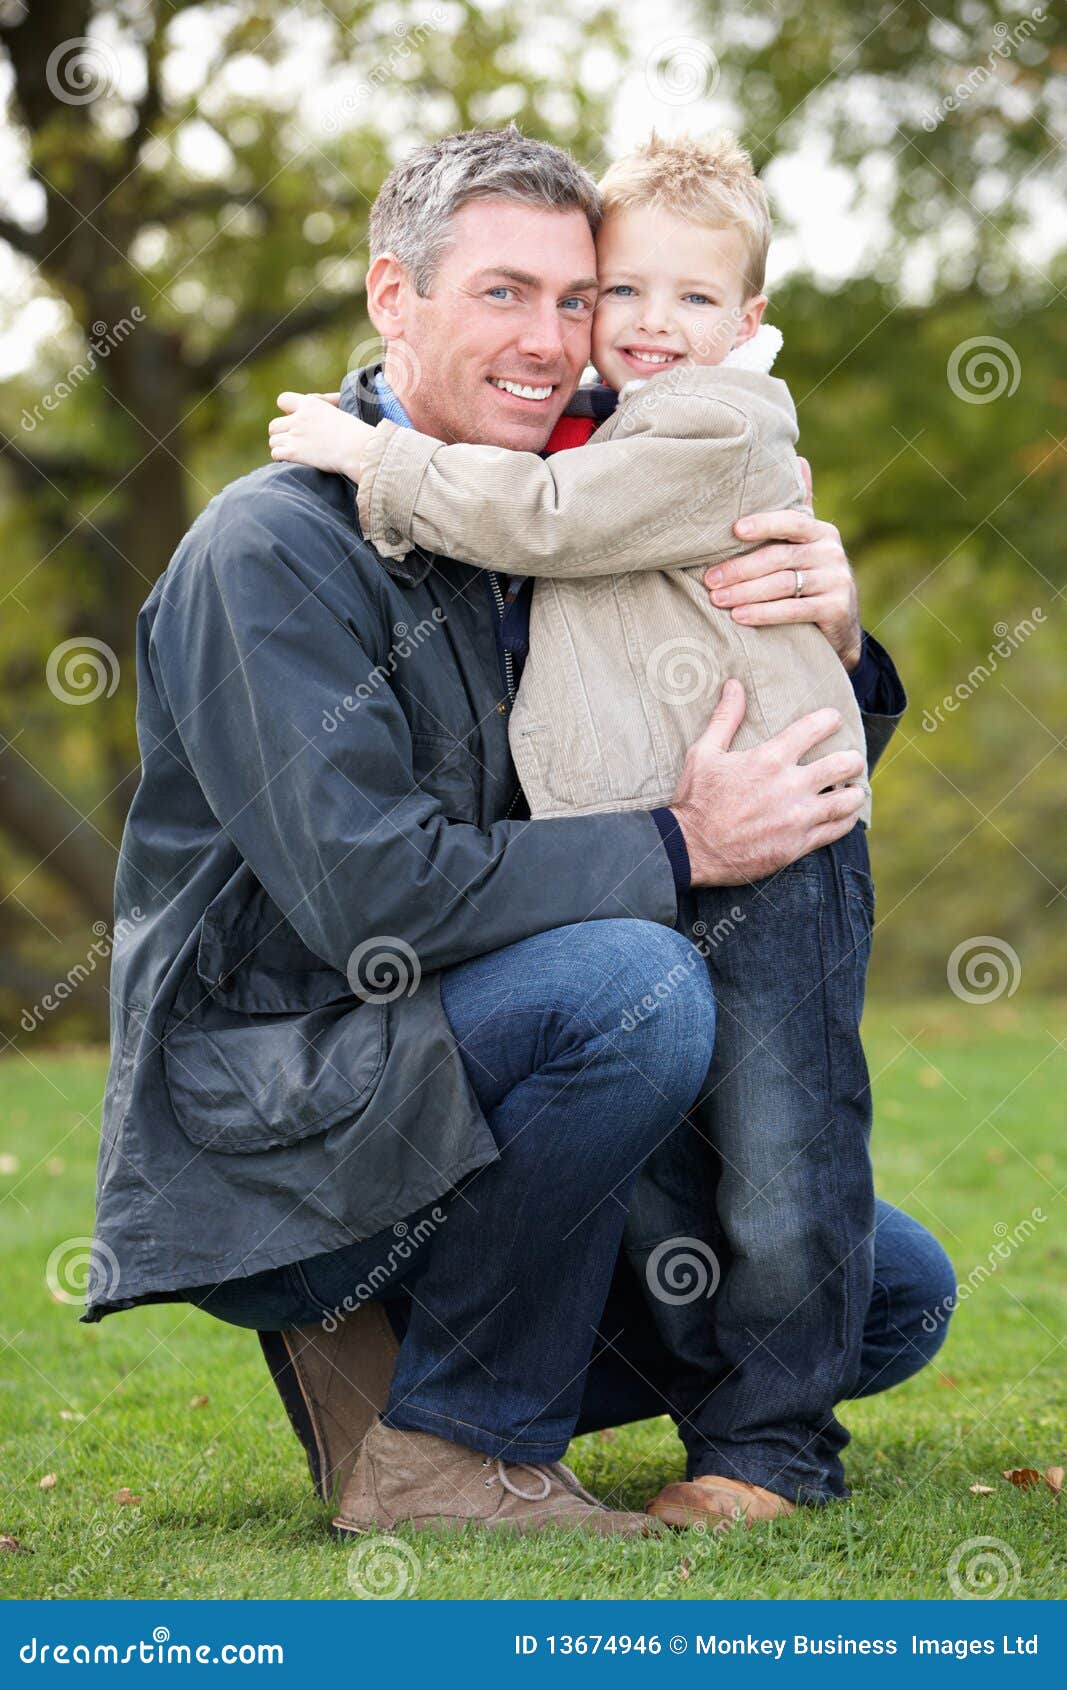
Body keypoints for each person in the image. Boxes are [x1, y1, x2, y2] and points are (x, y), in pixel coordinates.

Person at [85, 127, 955, 1543]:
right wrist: (679, 848)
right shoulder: (277, 550)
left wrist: (836, 637)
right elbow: (373, 896)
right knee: (637, 982)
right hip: (292, 1107)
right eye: (505, 293)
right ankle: (455, 1442)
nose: (554, 338)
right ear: (392, 297)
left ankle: (401, 1357)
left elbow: (755, 777)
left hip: (469, 1074)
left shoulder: (573, 496)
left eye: (575, 297)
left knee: (889, 1284)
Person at [268, 131, 881, 1520]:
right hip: (636, 876)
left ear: (752, 326)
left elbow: (550, 522)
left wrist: (373, 458)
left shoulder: (707, 428)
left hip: (776, 862)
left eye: (694, 298)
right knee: (673, 1166)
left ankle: (775, 1451)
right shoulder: (588, 423)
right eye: (622, 293)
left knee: (788, 1164)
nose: (645, 324)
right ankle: (466, 1385)